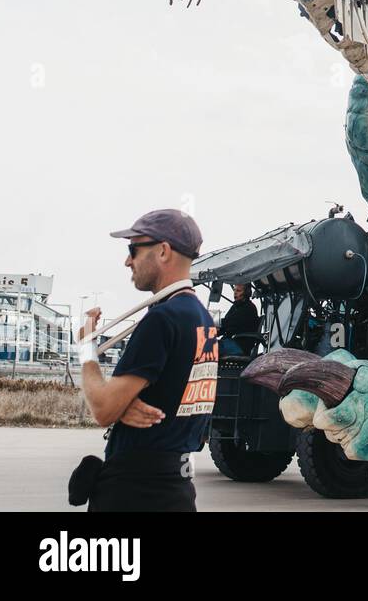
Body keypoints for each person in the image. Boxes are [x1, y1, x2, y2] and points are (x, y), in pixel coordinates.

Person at [73, 209, 216, 512]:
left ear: (163, 251)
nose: (128, 261)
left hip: (135, 491)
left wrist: (87, 349)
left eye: (133, 249)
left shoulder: (163, 319)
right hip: (176, 489)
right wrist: (123, 404)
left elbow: (102, 408)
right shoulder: (203, 321)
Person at [218, 284, 260, 357]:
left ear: (246, 293)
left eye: (238, 290)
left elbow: (228, 322)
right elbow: (225, 325)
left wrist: (211, 323)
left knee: (208, 347)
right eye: (234, 290)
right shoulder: (236, 306)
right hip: (232, 341)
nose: (235, 292)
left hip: (240, 345)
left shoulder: (248, 308)